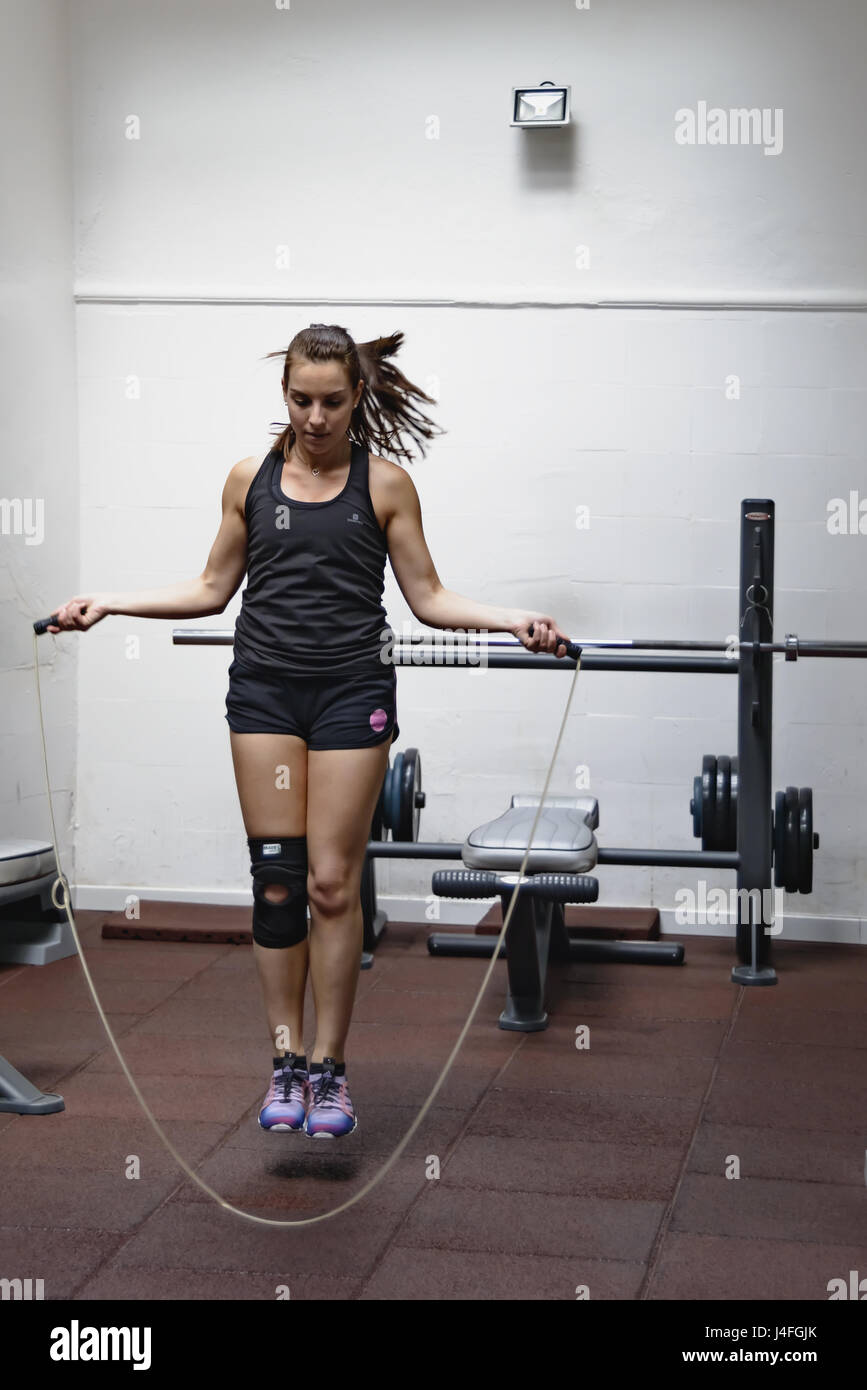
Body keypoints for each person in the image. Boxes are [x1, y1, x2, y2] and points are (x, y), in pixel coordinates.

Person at [46, 322, 570, 1141]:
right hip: (263, 695)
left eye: (331, 401)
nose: (315, 417)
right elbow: (214, 586)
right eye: (300, 400)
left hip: (350, 696)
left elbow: (428, 597)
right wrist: (111, 602)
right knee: (278, 882)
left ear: (357, 396)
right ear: (282, 395)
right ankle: (284, 1060)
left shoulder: (386, 485)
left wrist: (511, 619)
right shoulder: (248, 479)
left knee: (332, 883)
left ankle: (329, 1069)